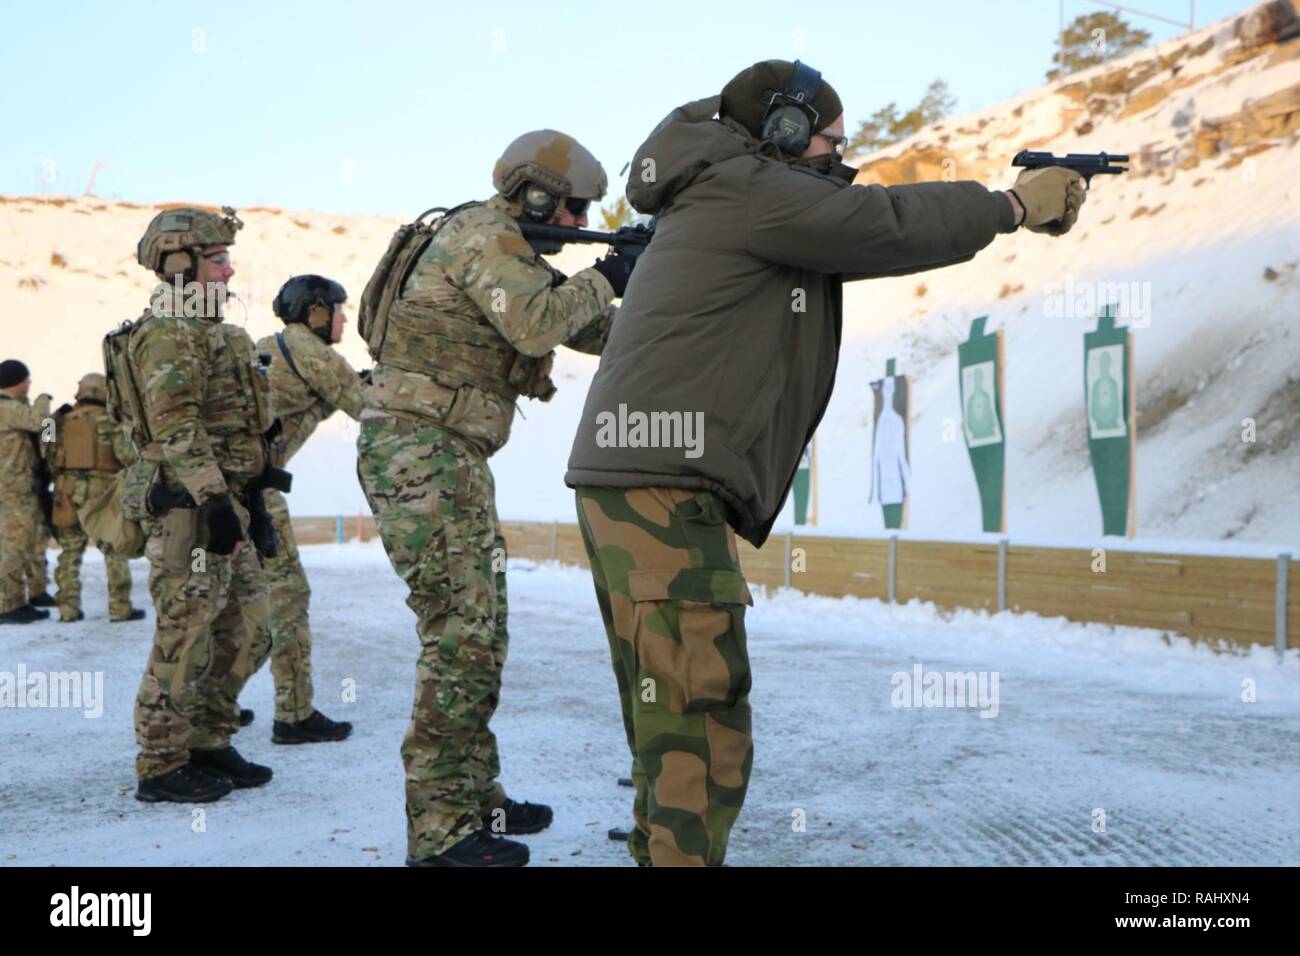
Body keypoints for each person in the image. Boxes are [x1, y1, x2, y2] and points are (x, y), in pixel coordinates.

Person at [565, 59, 1087, 866]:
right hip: (661, 481)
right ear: (780, 130)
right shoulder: (747, 189)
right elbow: (883, 223)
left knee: (666, 693)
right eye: (830, 142)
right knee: (703, 709)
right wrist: (1014, 206)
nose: (840, 159)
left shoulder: (716, 186)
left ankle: (660, 847)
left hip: (634, 477)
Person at [356, 129, 633, 867]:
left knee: (480, 630)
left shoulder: (498, 246)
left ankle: (476, 798)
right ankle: (441, 833)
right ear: (536, 196)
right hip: (423, 452)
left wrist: (646, 282)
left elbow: (587, 329)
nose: (575, 227)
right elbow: (538, 325)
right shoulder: (486, 236)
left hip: (442, 453)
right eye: (572, 211)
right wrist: (609, 272)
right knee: (460, 635)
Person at [110, 205, 279, 803]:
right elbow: (177, 428)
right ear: (178, 263)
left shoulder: (216, 332)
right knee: (185, 636)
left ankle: (208, 739)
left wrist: (253, 501)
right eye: (217, 259)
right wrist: (216, 504)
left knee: (250, 627)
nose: (230, 272)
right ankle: (160, 763)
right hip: (190, 508)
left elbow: (241, 428)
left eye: (227, 258)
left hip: (226, 501)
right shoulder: (169, 333)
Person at [230, 274, 362, 744]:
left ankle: (211, 707)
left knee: (236, 608)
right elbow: (367, 405)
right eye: (340, 309)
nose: (345, 318)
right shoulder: (313, 353)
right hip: (256, 495)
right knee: (286, 601)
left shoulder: (273, 344)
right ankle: (293, 714)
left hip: (227, 493)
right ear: (317, 312)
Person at [46, 373, 145, 623]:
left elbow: (46, 455)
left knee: (69, 552)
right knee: (114, 549)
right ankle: (120, 608)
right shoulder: (112, 422)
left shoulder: (59, 420)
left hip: (66, 492)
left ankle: (68, 609)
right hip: (103, 494)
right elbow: (128, 457)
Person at [0, 359, 53, 624]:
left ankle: (33, 593)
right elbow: (40, 421)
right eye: (27, 379)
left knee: (31, 540)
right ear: (17, 381)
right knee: (13, 546)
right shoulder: (6, 408)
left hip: (21, 489)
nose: (30, 383)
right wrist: (44, 399)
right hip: (11, 491)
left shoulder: (11, 408)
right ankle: (8, 605)